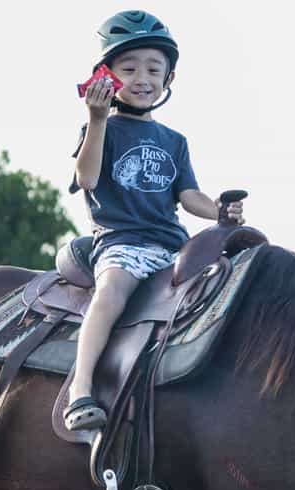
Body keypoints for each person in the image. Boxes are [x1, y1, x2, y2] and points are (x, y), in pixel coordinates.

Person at [64, 10, 244, 430]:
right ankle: (81, 388)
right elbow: (86, 177)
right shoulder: (100, 128)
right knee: (111, 293)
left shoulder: (174, 141)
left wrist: (218, 211)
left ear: (169, 79)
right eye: (129, 68)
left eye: (153, 68)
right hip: (122, 241)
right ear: (106, 78)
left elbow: (187, 196)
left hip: (171, 245)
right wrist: (96, 121)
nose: (142, 77)